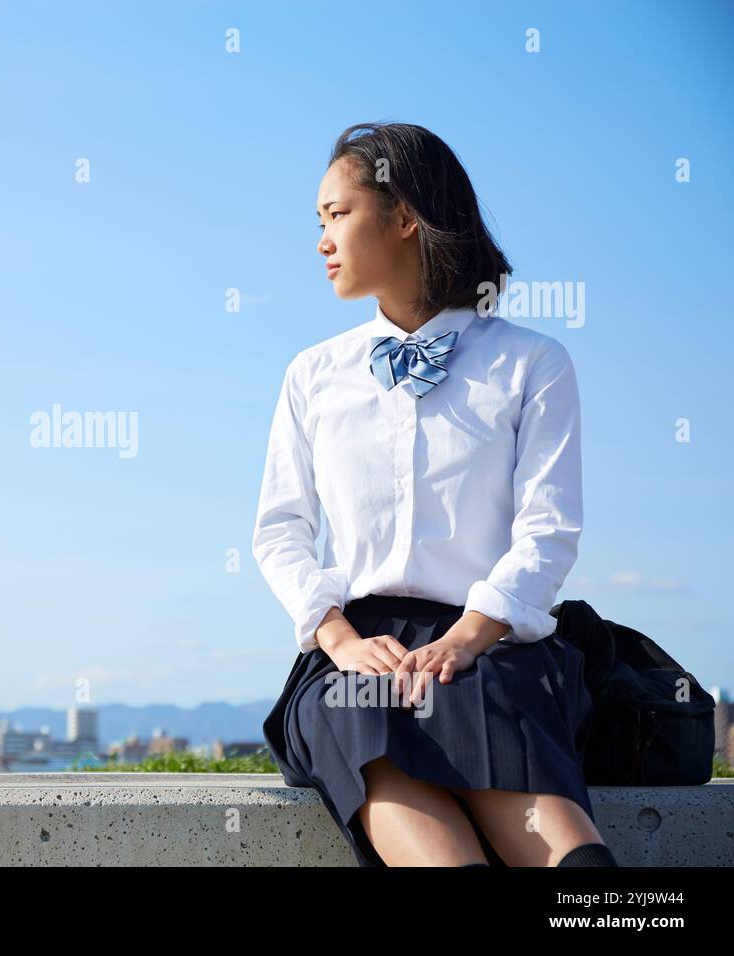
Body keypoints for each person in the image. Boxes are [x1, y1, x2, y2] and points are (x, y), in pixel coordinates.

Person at [254, 122, 618, 867]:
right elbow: (281, 530)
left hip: (492, 647)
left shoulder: (533, 363)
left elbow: (547, 531)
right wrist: (341, 642)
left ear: (405, 215)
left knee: (583, 872)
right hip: (358, 658)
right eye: (318, 221)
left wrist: (465, 638)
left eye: (337, 214)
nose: (321, 240)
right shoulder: (312, 373)